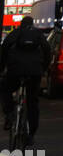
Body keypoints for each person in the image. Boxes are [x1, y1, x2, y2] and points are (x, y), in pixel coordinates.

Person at [0, 14, 51, 143]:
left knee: (5, 89)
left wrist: (3, 68)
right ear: (32, 24)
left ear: (21, 24)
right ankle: (31, 134)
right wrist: (43, 69)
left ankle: (10, 113)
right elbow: (47, 51)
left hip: (15, 70)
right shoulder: (39, 35)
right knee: (32, 102)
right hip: (34, 72)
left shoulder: (15, 33)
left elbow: (4, 49)